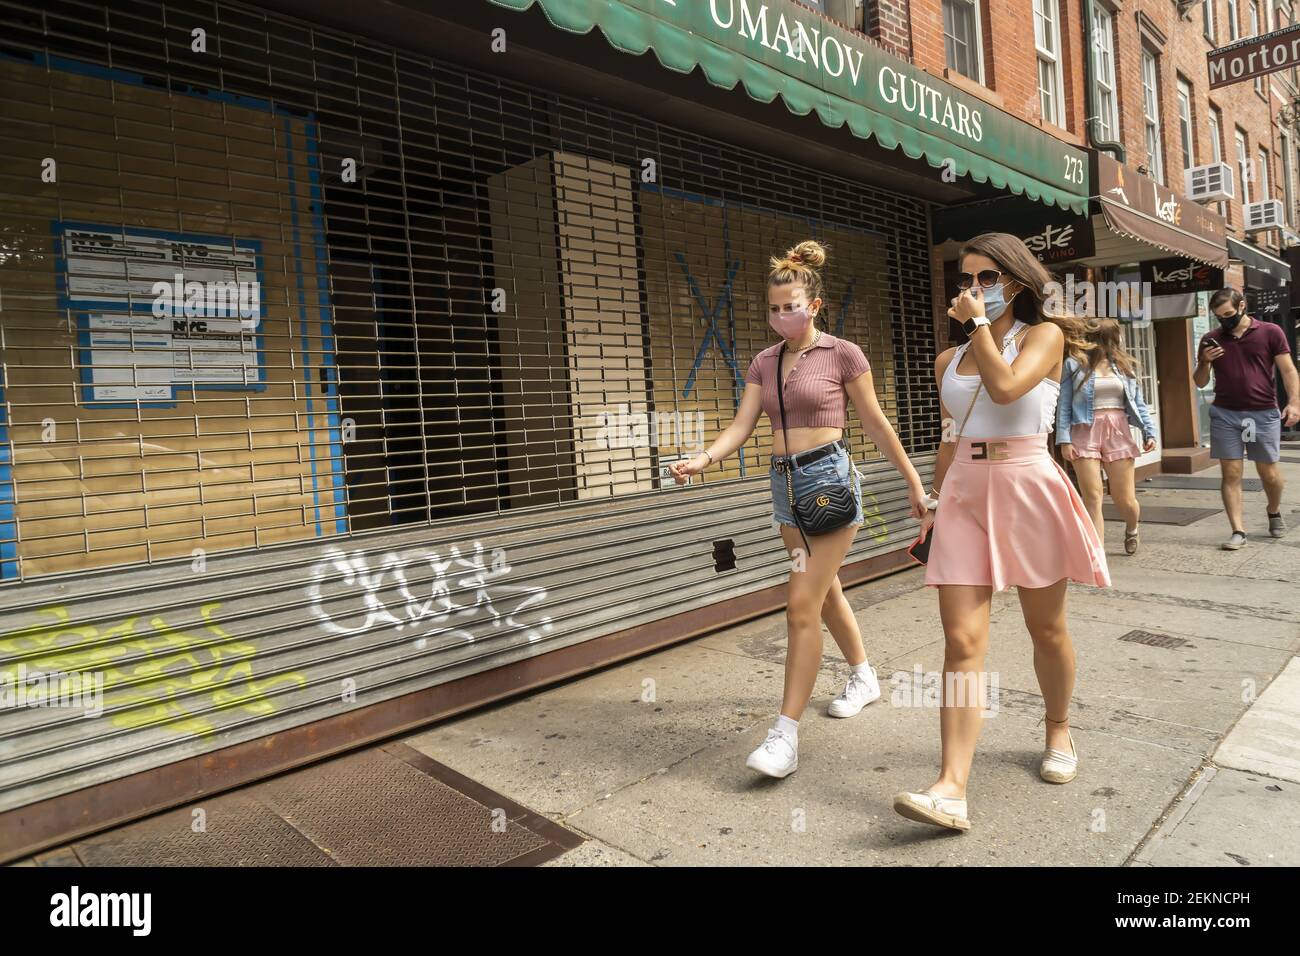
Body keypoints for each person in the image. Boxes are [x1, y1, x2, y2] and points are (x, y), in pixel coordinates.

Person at [669, 239, 929, 779]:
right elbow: (743, 425)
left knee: (800, 605)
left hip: (830, 483)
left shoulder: (843, 354)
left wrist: (912, 483)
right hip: (785, 489)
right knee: (824, 589)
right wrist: (705, 457)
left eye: (792, 305)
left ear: (814, 306)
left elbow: (877, 422)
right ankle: (864, 676)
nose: (782, 315)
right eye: (774, 307)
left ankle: (784, 736)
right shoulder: (763, 362)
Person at [892, 232, 1109, 833]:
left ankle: (1059, 729)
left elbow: (1010, 387)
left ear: (1015, 280)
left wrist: (978, 327)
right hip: (965, 490)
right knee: (961, 642)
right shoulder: (947, 359)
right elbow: (950, 435)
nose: (975, 289)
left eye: (988, 278)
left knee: (1047, 626)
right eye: (966, 280)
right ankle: (951, 786)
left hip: (1026, 482)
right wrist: (934, 501)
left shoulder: (1045, 337)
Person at [1194, 289, 1300, 550]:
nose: (1224, 321)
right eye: (1219, 317)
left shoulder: (1270, 332)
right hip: (1225, 413)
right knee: (1231, 472)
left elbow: (1288, 370)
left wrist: (1295, 402)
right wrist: (1204, 363)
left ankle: (1273, 511)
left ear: (1242, 305)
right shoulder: (1211, 339)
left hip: (1262, 412)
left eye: (1228, 314)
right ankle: (1238, 531)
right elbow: (1199, 381)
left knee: (1269, 473)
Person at [1055, 318, 1159, 554]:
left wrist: (1148, 431)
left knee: (1125, 500)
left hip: (1117, 431)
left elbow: (1138, 403)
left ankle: (1132, 528)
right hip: (1083, 431)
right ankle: (1096, 554)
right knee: (1092, 496)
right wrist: (1064, 439)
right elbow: (1064, 404)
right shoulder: (1073, 365)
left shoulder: (1123, 367)